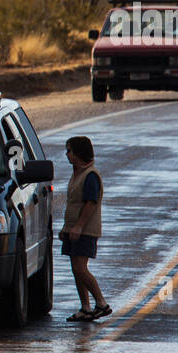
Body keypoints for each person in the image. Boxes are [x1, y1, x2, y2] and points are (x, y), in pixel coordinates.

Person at [59, 135, 111, 322]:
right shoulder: (78, 174)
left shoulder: (90, 176)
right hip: (73, 230)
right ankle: (86, 307)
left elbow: (90, 203)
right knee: (76, 269)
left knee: (81, 269)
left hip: (85, 231)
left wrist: (79, 227)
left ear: (79, 153)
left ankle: (101, 303)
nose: (67, 155)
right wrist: (67, 228)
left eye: (69, 151)